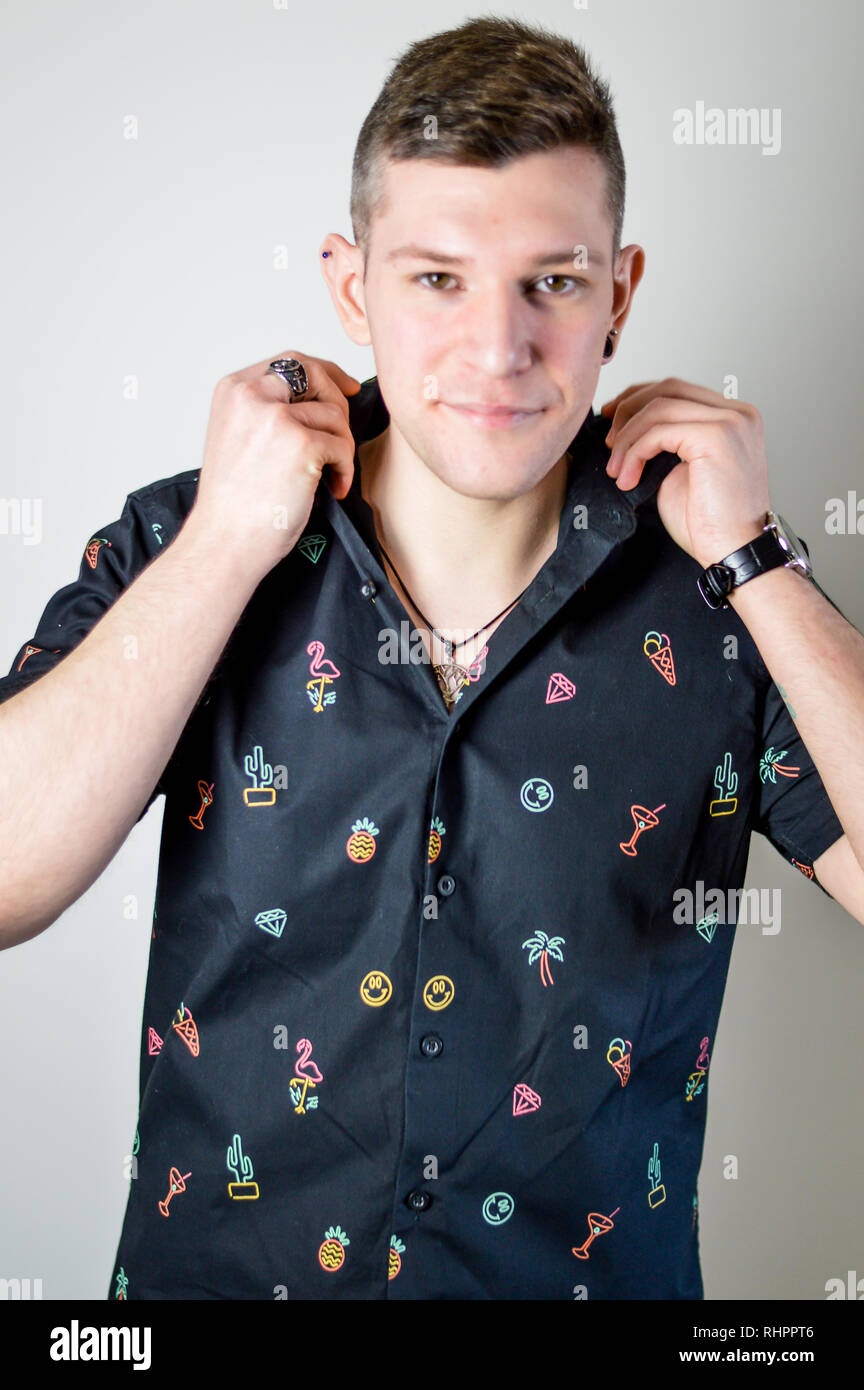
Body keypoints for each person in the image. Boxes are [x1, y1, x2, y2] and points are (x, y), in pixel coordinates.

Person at [1, 15, 863, 1301]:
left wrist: (760, 563)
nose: (499, 348)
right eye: (438, 279)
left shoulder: (718, 598)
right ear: (352, 286)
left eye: (553, 283)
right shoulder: (189, 536)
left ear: (618, 293)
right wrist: (224, 551)